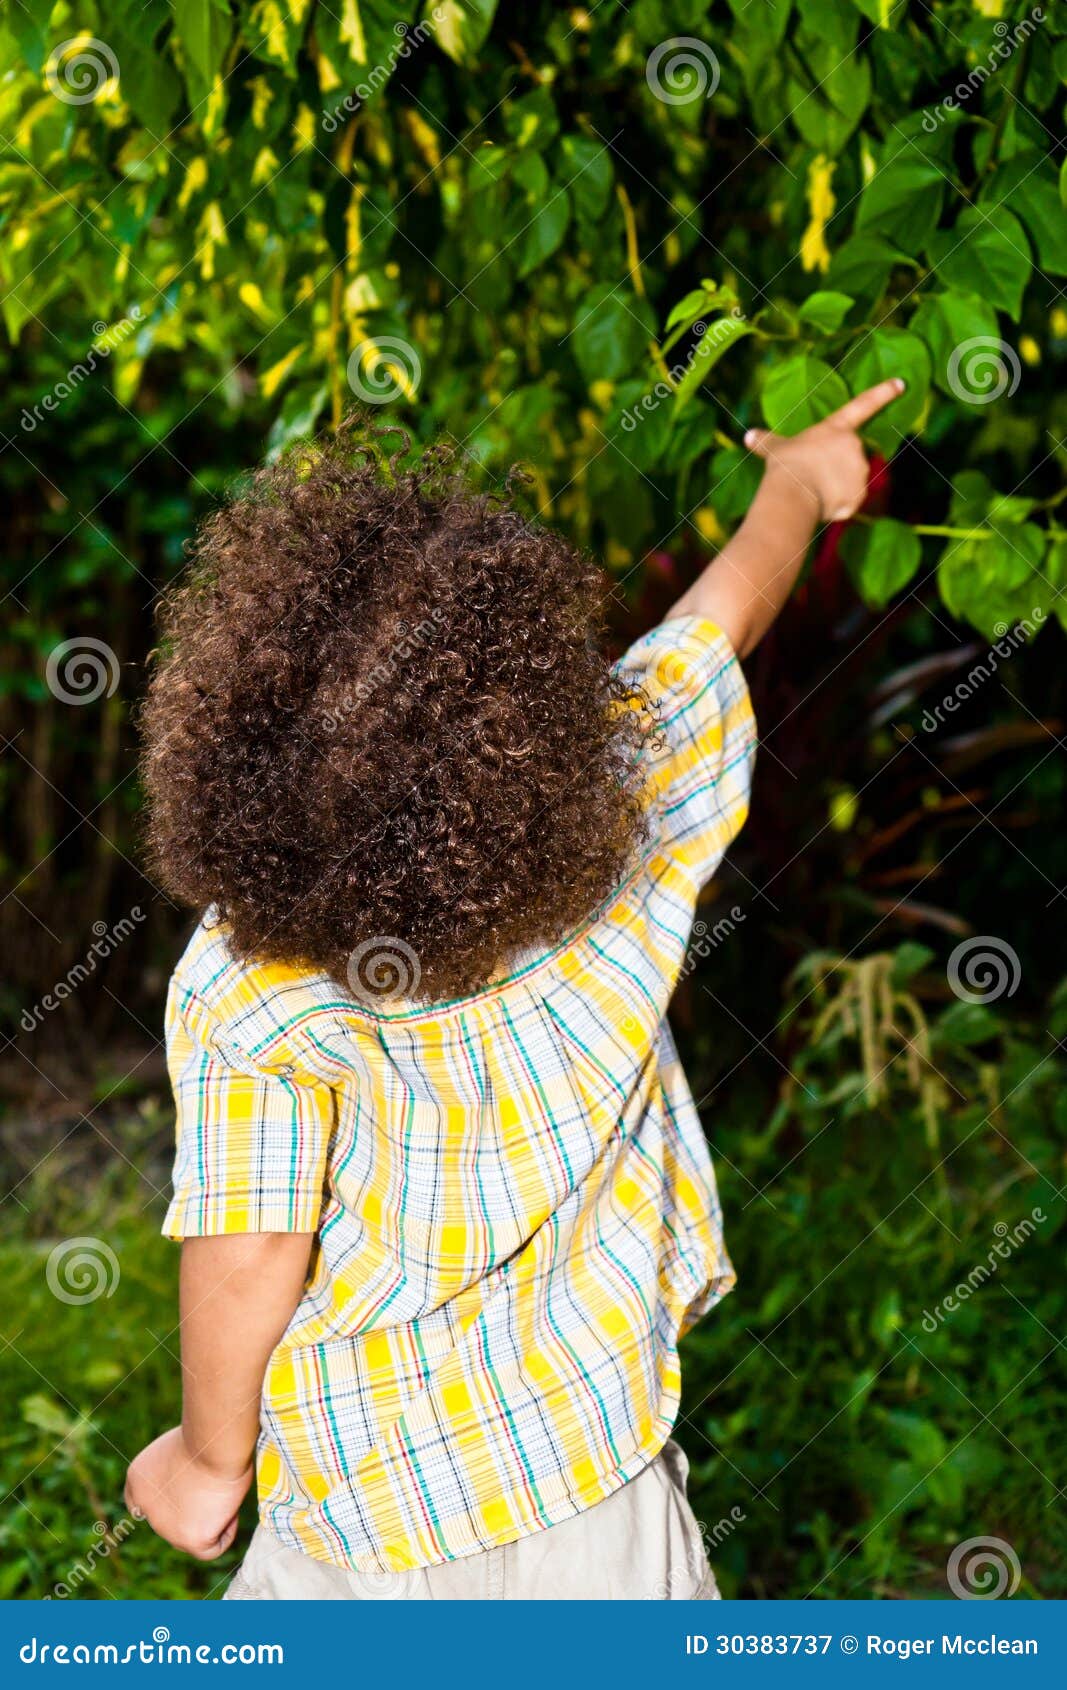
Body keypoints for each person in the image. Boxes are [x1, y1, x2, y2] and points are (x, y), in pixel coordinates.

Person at [126, 380, 905, 1599]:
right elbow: (717, 622)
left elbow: (254, 1242)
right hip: (598, 1498)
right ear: (529, 694)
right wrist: (800, 483)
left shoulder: (246, 982)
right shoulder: (631, 799)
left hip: (363, 1524)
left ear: (234, 742)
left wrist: (206, 1459)